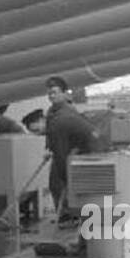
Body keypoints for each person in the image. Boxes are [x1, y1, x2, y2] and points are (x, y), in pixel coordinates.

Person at [42, 76, 100, 224]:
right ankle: (67, 215)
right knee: (55, 182)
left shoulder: (64, 115)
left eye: (55, 92)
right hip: (72, 149)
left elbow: (62, 151)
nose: (51, 96)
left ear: (64, 93)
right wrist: (48, 148)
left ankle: (71, 216)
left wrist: (65, 176)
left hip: (85, 151)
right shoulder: (53, 112)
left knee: (62, 181)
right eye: (49, 93)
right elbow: (52, 135)